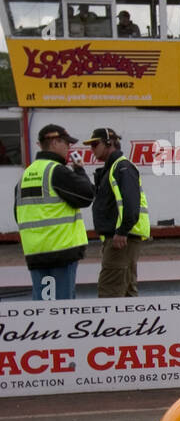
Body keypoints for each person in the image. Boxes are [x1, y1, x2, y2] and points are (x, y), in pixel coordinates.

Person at [14, 124, 95, 300]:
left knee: (43, 307)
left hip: (35, 252)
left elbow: (18, 213)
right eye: (66, 143)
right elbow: (87, 196)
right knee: (62, 309)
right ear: (54, 142)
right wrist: (80, 170)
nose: (69, 147)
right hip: (61, 250)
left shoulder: (26, 175)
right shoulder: (56, 171)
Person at [87, 127, 150, 297]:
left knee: (110, 291)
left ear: (109, 143)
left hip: (122, 239)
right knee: (127, 290)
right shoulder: (113, 168)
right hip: (122, 238)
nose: (92, 149)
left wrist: (122, 231)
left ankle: (113, 324)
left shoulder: (122, 167)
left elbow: (131, 201)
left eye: (95, 144)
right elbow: (105, 200)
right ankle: (134, 324)